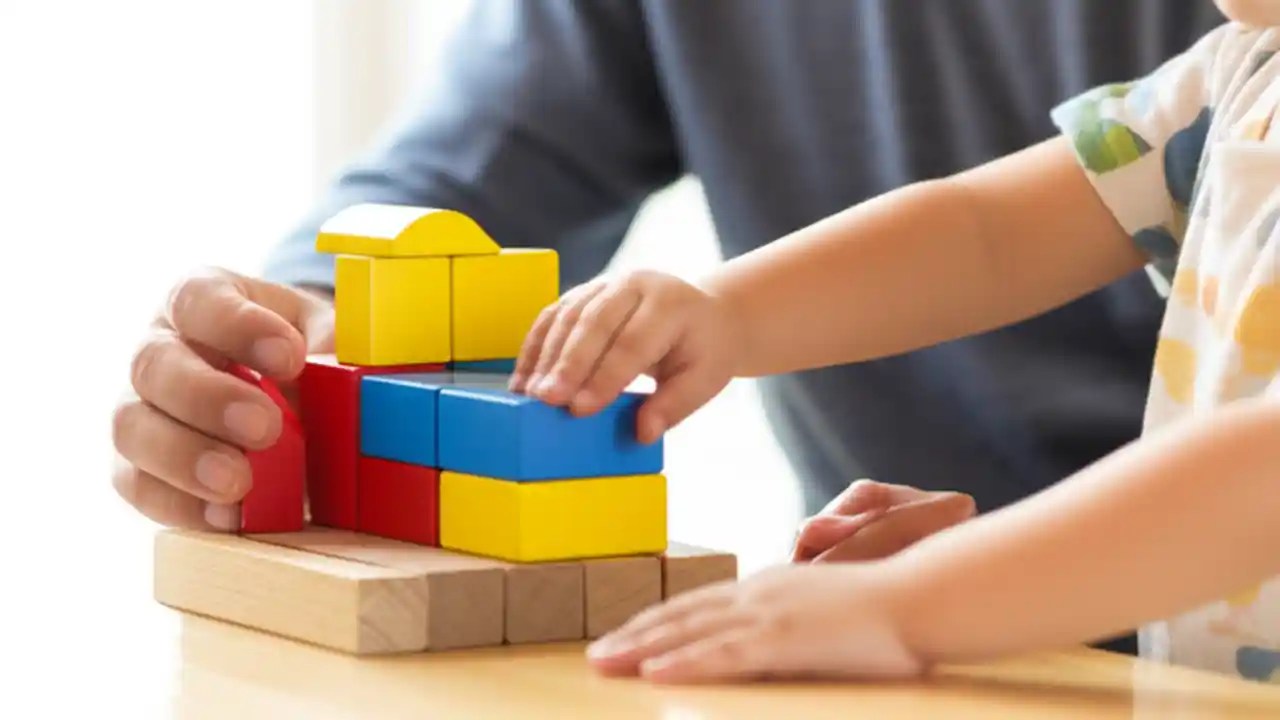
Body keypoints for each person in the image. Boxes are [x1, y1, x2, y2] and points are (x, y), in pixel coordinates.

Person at [111, 2, 1222, 652]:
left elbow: (1247, 484)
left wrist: (939, 599)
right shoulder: (1219, 83)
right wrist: (299, 342)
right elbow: (983, 227)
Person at [516, 0, 1280, 685]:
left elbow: (1262, 479)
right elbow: (986, 236)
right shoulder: (1236, 75)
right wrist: (727, 313)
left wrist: (908, 604)